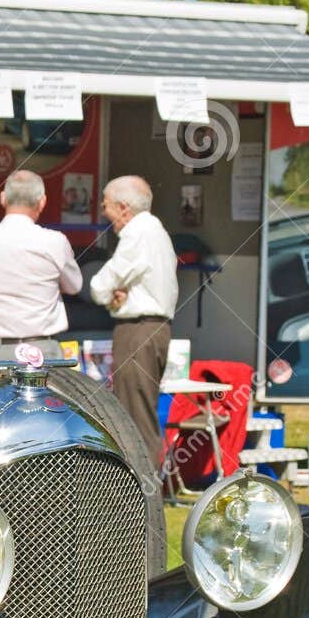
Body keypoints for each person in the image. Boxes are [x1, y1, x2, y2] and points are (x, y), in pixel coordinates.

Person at [90, 175, 179, 466]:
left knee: (134, 417)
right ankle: (146, 486)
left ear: (124, 208)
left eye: (107, 207)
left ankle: (144, 492)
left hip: (139, 331)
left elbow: (103, 282)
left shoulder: (137, 232)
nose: (105, 214)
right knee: (140, 410)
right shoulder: (156, 232)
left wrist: (107, 293)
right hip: (152, 329)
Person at [0, 169, 82, 365]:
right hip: (43, 352)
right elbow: (74, 286)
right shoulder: (55, 242)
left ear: (3, 199)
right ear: (42, 201)